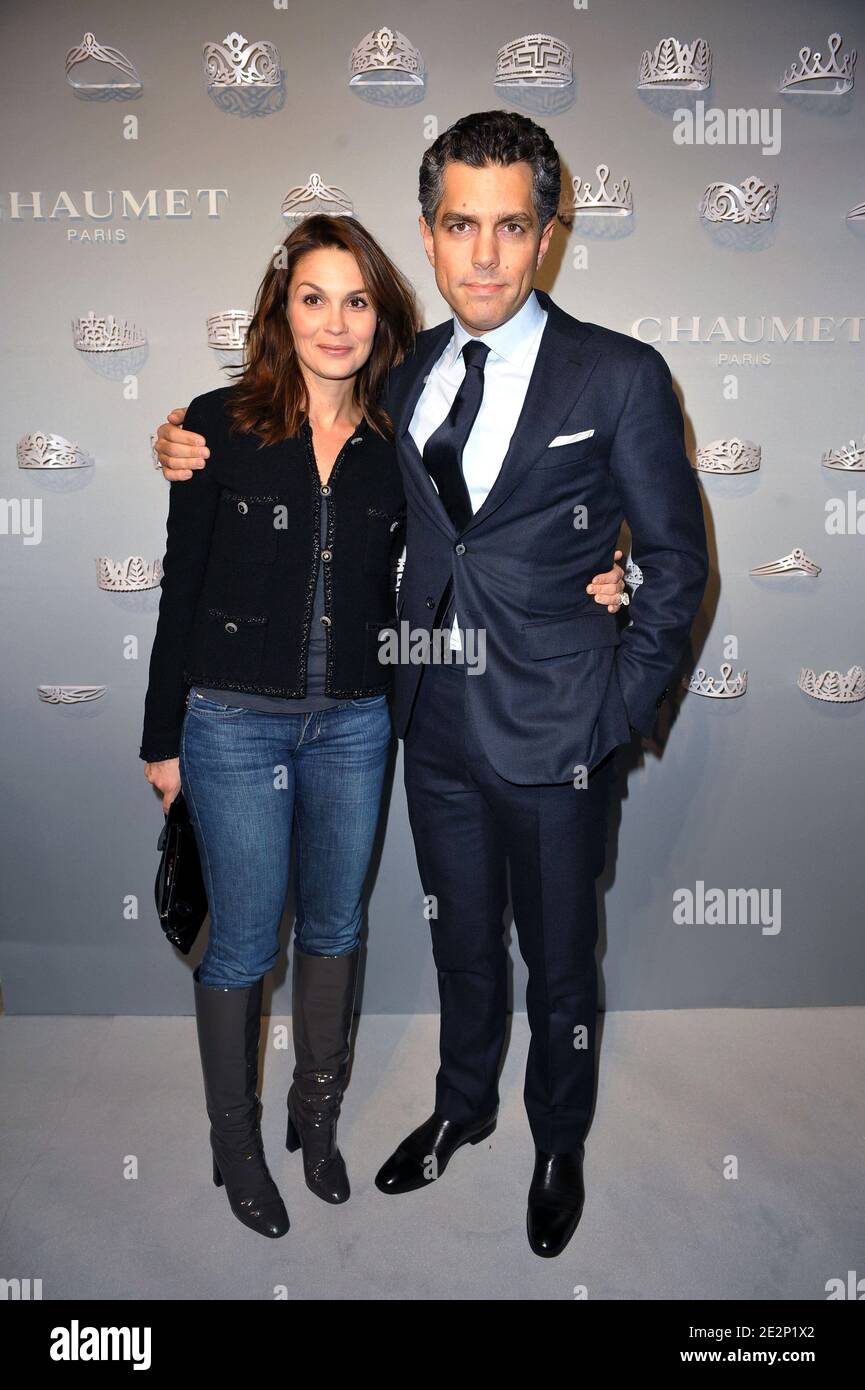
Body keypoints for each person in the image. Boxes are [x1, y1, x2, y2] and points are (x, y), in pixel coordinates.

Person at [152, 109, 699, 1260]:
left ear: (547, 235)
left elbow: (676, 563)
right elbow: (298, 428)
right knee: (461, 945)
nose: (485, 255)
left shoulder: (621, 374)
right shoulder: (405, 375)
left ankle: (558, 1139)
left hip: (561, 732)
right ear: (431, 233)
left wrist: (614, 717)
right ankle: (463, 1104)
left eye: (512, 227)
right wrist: (186, 439)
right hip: (425, 719)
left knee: (559, 964)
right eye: (461, 225)